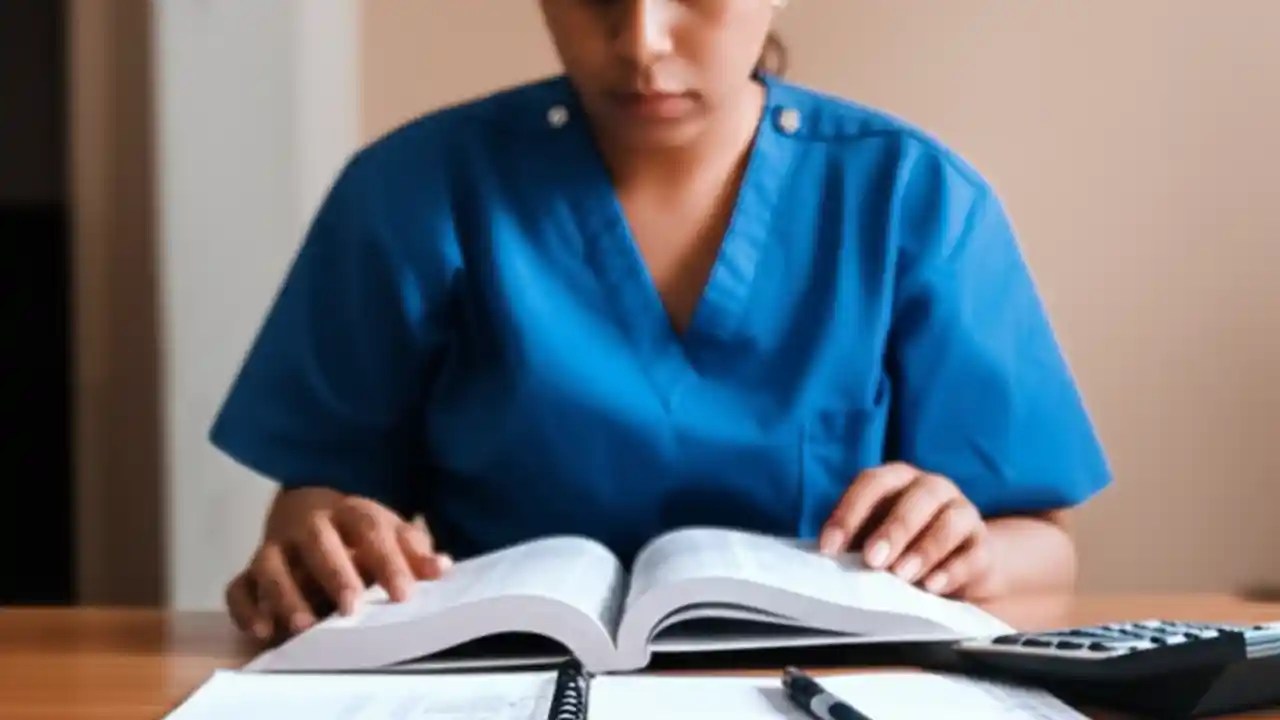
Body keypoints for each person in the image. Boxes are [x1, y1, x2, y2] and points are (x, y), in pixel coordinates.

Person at [214, 0, 1111, 643]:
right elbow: (314, 494)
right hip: (497, 689)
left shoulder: (914, 200)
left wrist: (968, 552)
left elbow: (1043, 550)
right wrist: (324, 542)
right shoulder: (409, 192)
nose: (642, 40)